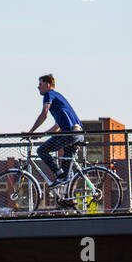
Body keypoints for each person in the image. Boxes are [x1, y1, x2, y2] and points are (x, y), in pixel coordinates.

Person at [25, 73, 84, 202]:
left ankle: (59, 174)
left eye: (40, 84)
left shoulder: (49, 95)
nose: (38, 87)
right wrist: (41, 135)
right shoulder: (58, 97)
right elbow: (57, 126)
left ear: (48, 85)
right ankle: (69, 199)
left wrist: (31, 132)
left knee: (42, 150)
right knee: (67, 173)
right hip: (76, 134)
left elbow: (44, 114)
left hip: (70, 133)